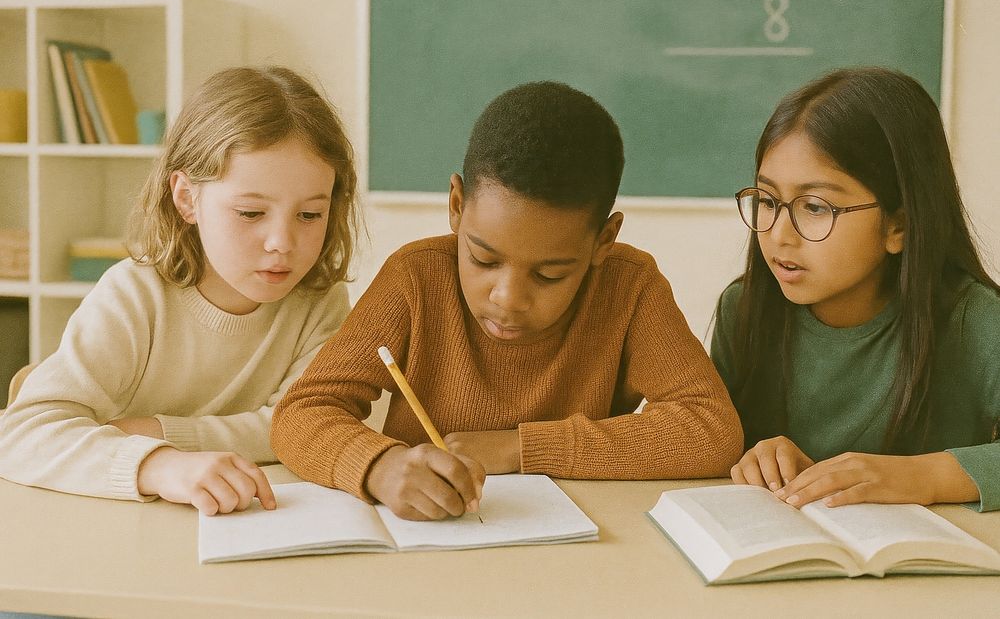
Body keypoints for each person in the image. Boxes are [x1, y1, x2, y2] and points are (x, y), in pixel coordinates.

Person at [272, 80, 743, 520]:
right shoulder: (416, 277)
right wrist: (379, 465)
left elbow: (711, 431)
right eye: (483, 258)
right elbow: (300, 414)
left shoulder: (629, 288)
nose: (508, 298)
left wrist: (521, 448)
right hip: (432, 544)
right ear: (456, 205)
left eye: (550, 274)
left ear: (604, 239)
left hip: (579, 551)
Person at [0, 66, 360, 515]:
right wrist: (160, 465)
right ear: (187, 198)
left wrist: (158, 431)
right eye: (250, 213)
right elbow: (20, 433)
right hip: (117, 524)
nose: (282, 243)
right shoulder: (134, 296)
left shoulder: (319, 302)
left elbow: (302, 425)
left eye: (309, 215)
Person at [713, 66, 1000, 511]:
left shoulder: (975, 320)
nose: (778, 235)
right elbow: (710, 440)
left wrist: (923, 475)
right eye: (767, 201)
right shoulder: (744, 309)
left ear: (898, 225)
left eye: (814, 207)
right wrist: (754, 455)